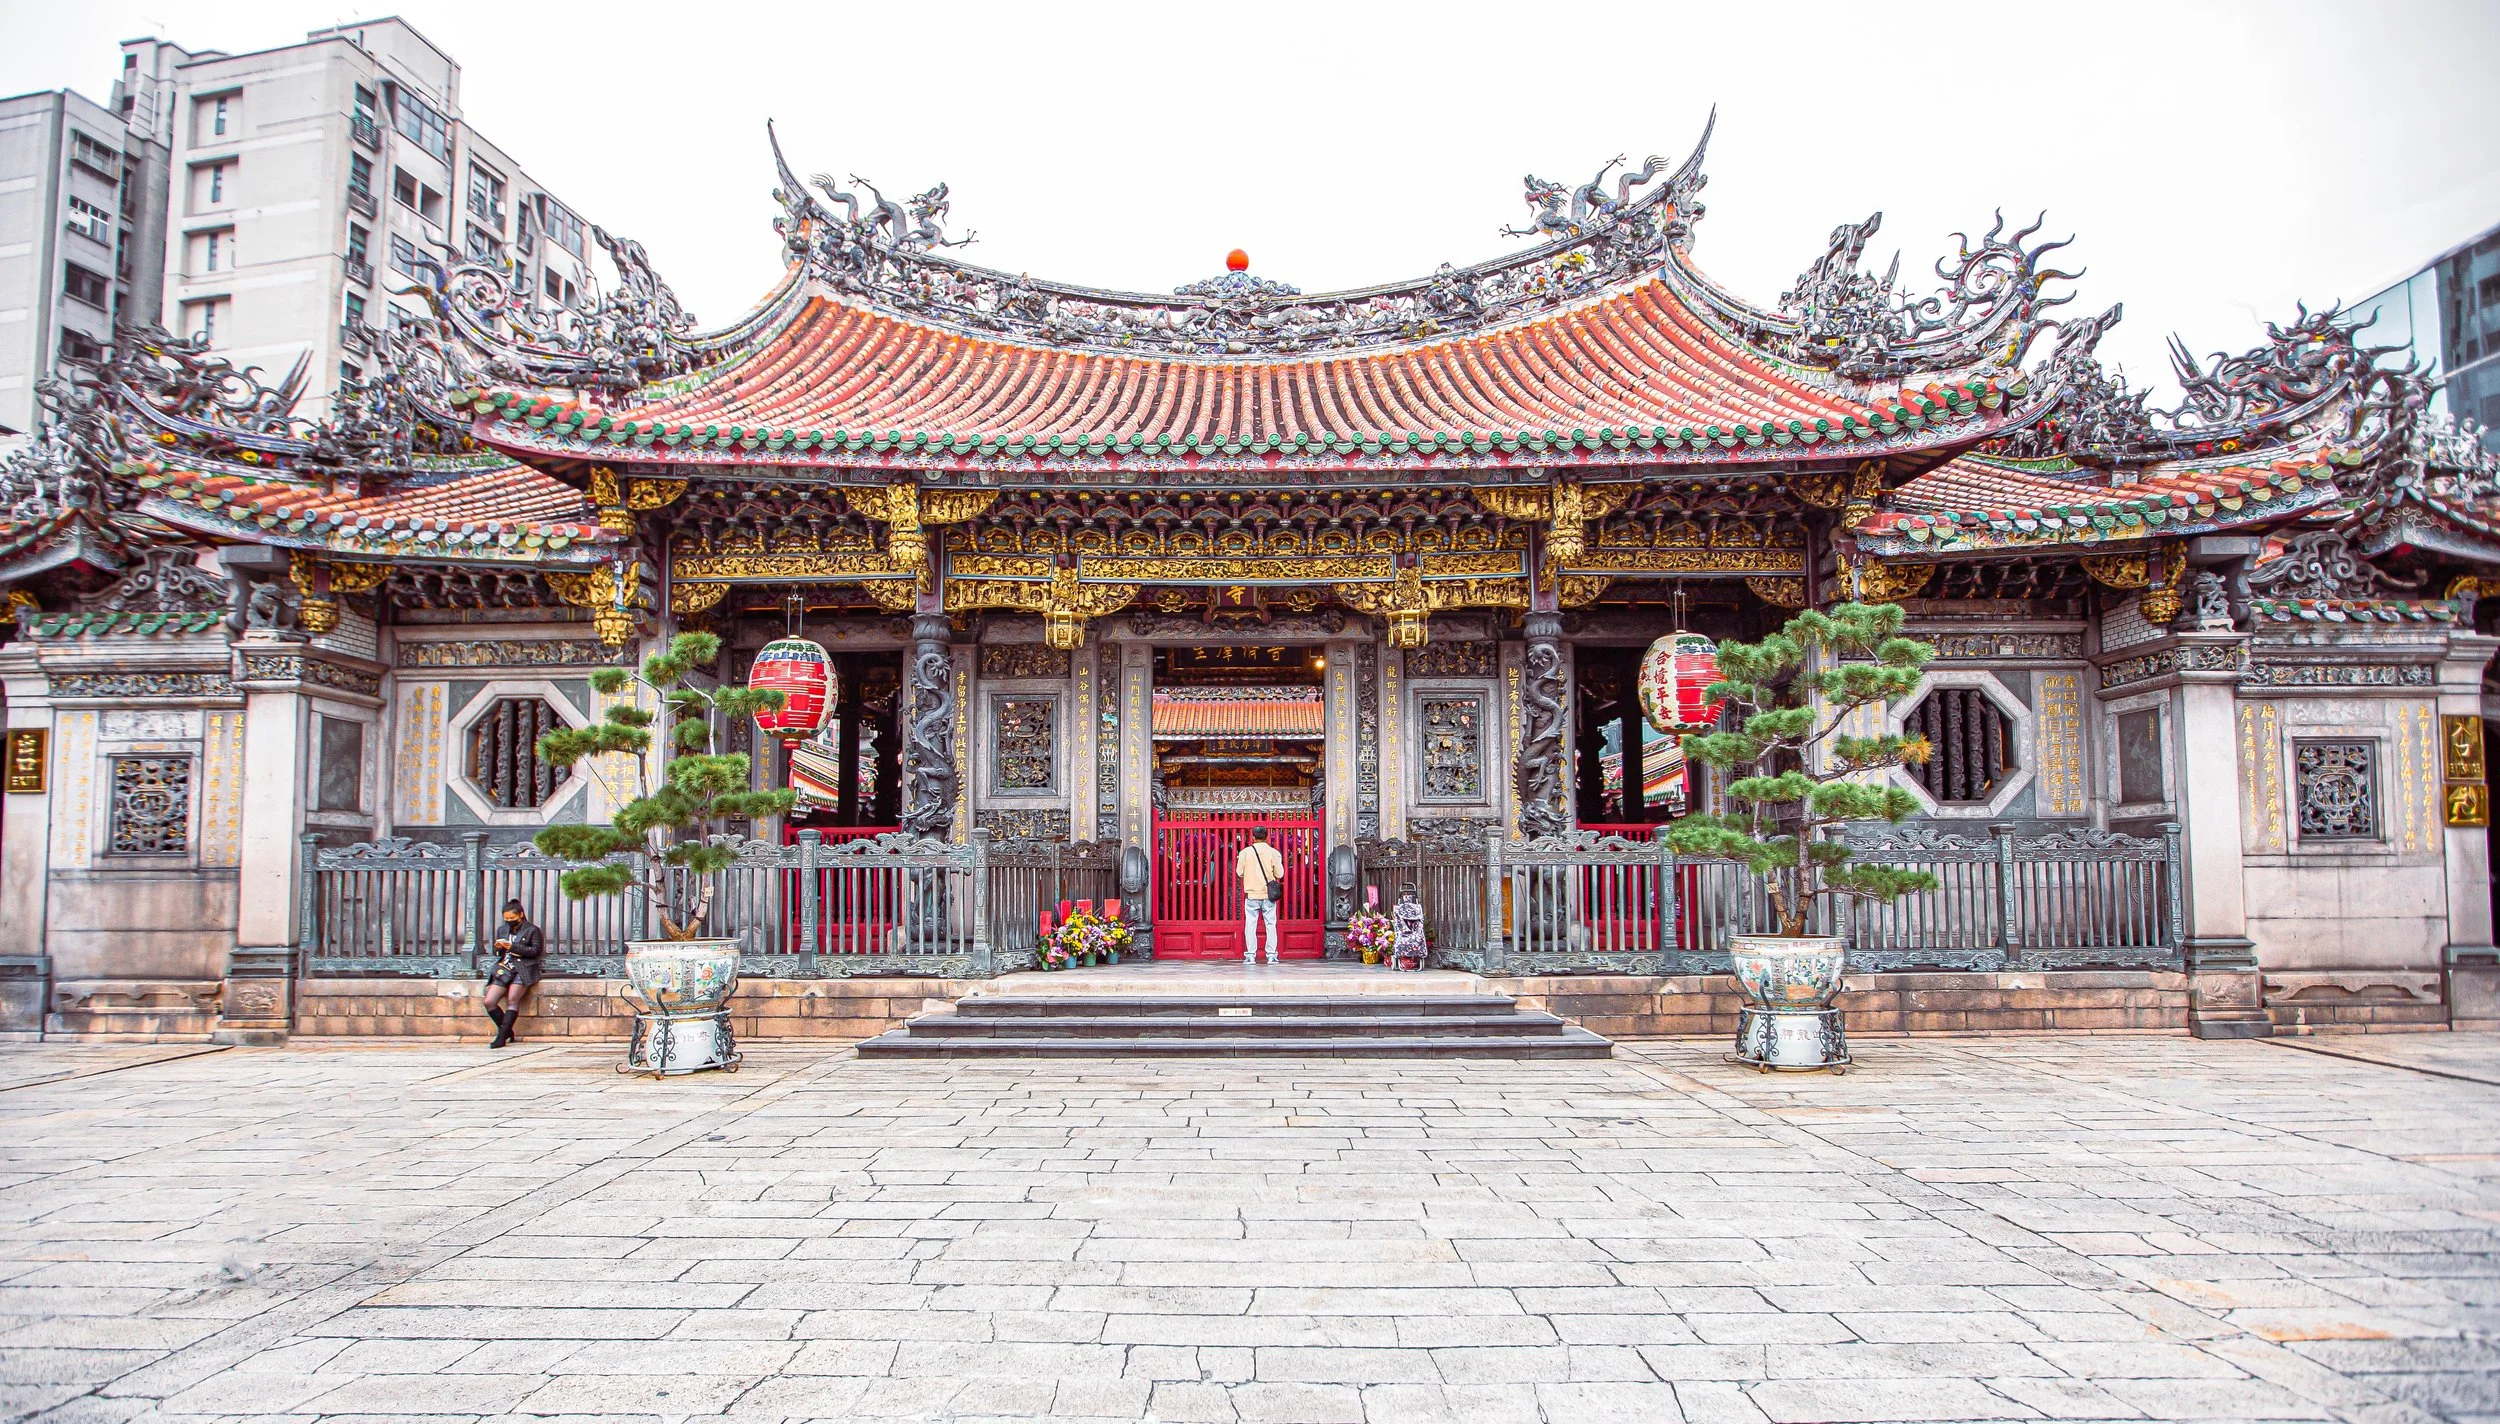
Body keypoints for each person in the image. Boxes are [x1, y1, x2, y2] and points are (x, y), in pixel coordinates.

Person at [481, 899, 544, 1049]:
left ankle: (501, 1036)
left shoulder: (532, 930)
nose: (509, 921)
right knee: (489, 1001)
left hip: (523, 968)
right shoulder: (502, 930)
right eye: (506, 919)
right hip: (505, 968)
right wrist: (498, 948)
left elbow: (535, 951)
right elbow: (498, 953)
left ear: (521, 914)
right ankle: (507, 1031)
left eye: (512, 918)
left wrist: (513, 947)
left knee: (512, 999)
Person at [1235, 827, 1286, 966]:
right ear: (1267, 837)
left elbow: (1239, 872)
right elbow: (1280, 874)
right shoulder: (1273, 852)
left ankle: (1251, 955)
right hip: (1268, 894)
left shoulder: (1245, 852)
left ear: (1253, 837)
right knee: (1270, 924)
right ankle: (1271, 955)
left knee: (1250, 925)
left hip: (1252, 894)